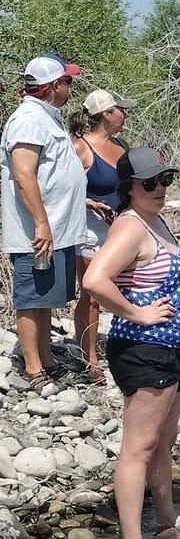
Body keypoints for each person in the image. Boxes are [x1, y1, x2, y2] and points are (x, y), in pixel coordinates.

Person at [83, 147, 180, 539]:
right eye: (149, 183)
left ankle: (167, 519)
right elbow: (95, 280)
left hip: (168, 347)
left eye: (163, 180)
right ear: (129, 188)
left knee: (163, 441)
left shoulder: (157, 220)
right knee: (139, 446)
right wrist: (138, 312)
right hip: (141, 348)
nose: (159, 189)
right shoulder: (130, 227)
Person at [1, 55, 87, 393]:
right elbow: (24, 174)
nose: (70, 87)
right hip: (36, 232)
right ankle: (33, 369)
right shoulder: (27, 120)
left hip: (57, 227)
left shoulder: (47, 118)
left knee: (46, 296)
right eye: (66, 82)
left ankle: (47, 358)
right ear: (52, 87)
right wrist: (41, 223)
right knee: (31, 297)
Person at [70, 88, 134, 385]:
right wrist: (87, 202)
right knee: (92, 294)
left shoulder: (121, 145)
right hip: (89, 230)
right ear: (107, 114)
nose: (126, 114)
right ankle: (90, 357)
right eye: (121, 109)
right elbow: (59, 187)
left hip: (121, 227)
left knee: (126, 286)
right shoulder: (80, 147)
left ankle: (128, 344)